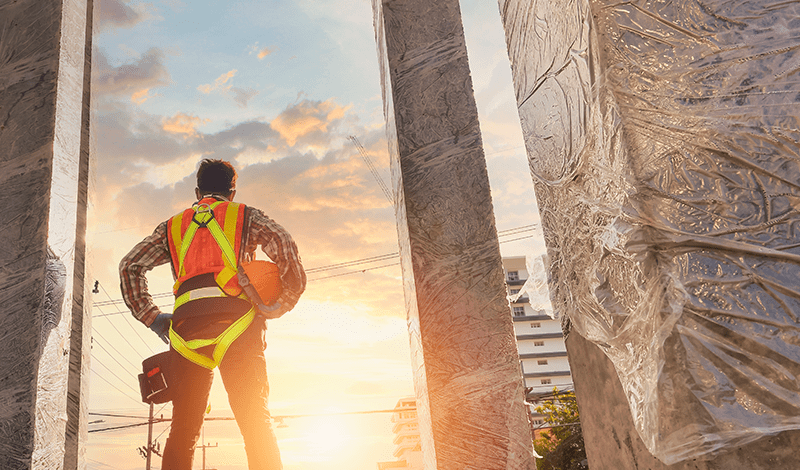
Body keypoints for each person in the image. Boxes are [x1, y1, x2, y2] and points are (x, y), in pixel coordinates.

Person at [120, 159, 306, 470]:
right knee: (255, 420)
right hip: (239, 325)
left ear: (197, 191)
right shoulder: (243, 216)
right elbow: (282, 242)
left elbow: (130, 265)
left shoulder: (172, 227)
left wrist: (153, 317)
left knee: (184, 429)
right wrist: (281, 302)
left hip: (185, 334)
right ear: (231, 192)